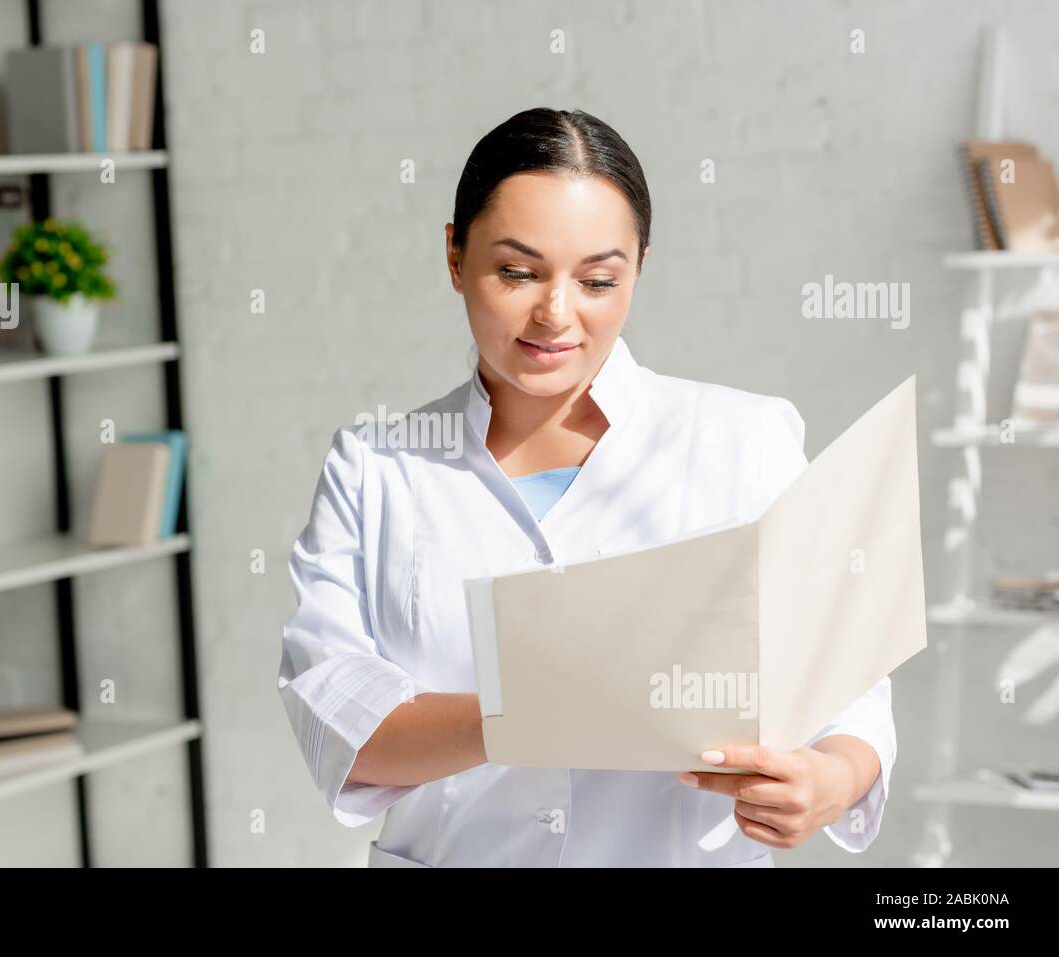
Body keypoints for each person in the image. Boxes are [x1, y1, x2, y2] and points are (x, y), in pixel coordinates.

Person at [277, 107, 895, 867]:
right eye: (516, 271)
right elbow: (339, 719)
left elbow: (849, 679)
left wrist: (832, 777)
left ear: (639, 265)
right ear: (453, 253)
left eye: (599, 278)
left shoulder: (744, 439)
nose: (556, 314)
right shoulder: (375, 468)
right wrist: (535, 709)